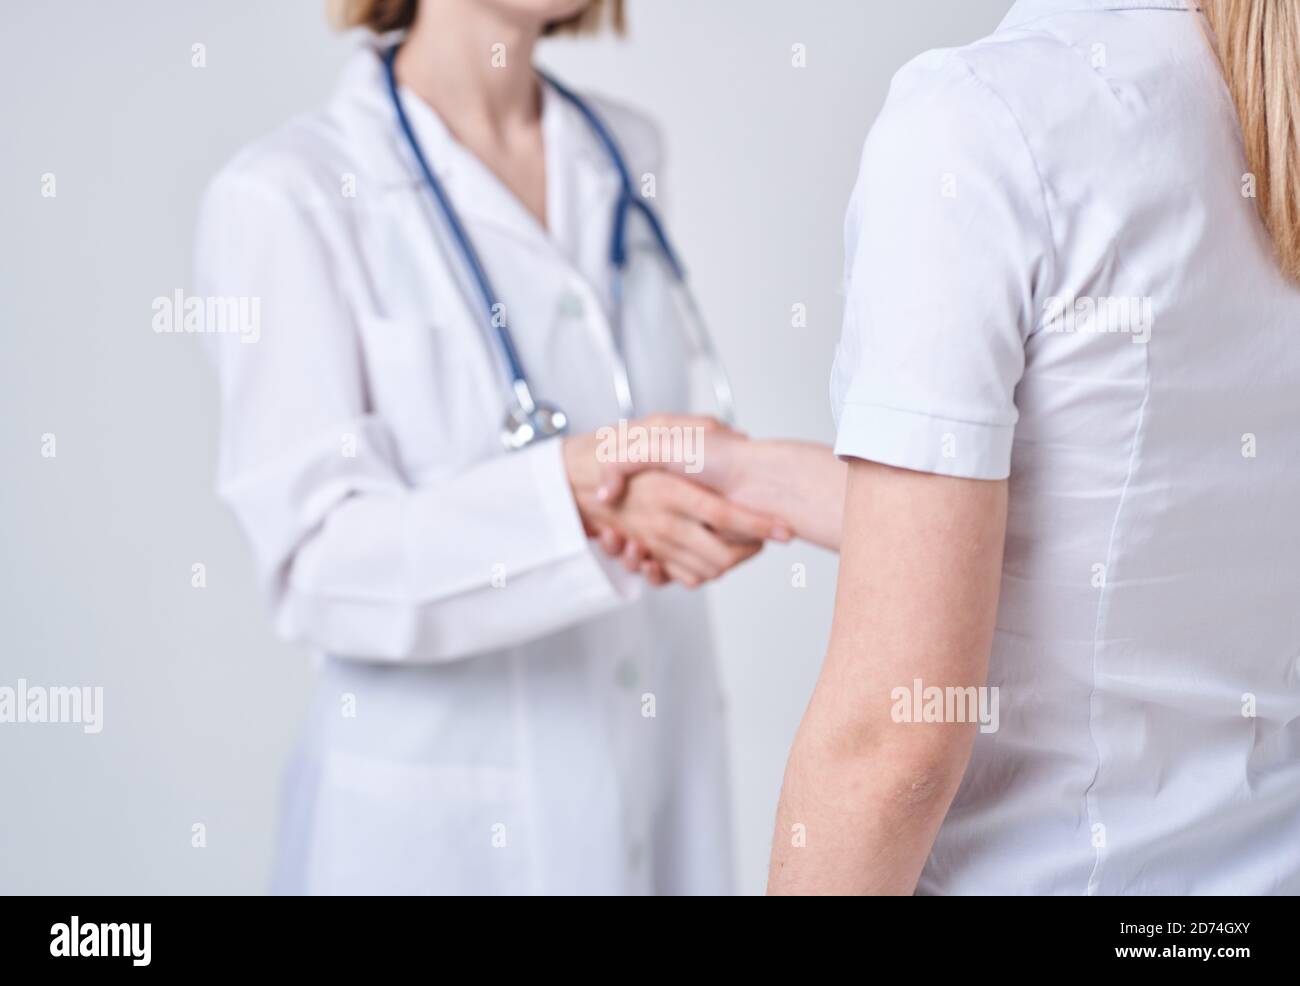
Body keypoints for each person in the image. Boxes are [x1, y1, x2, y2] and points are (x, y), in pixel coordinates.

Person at [609, 0, 1300, 895]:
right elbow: (1141, 521)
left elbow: (890, 743)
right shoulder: (1257, 87)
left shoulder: (983, 123)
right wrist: (759, 477)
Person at [194, 0, 788, 895]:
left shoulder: (626, 151)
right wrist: (565, 497)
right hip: (435, 842)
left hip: (657, 786)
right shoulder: (290, 193)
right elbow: (315, 566)